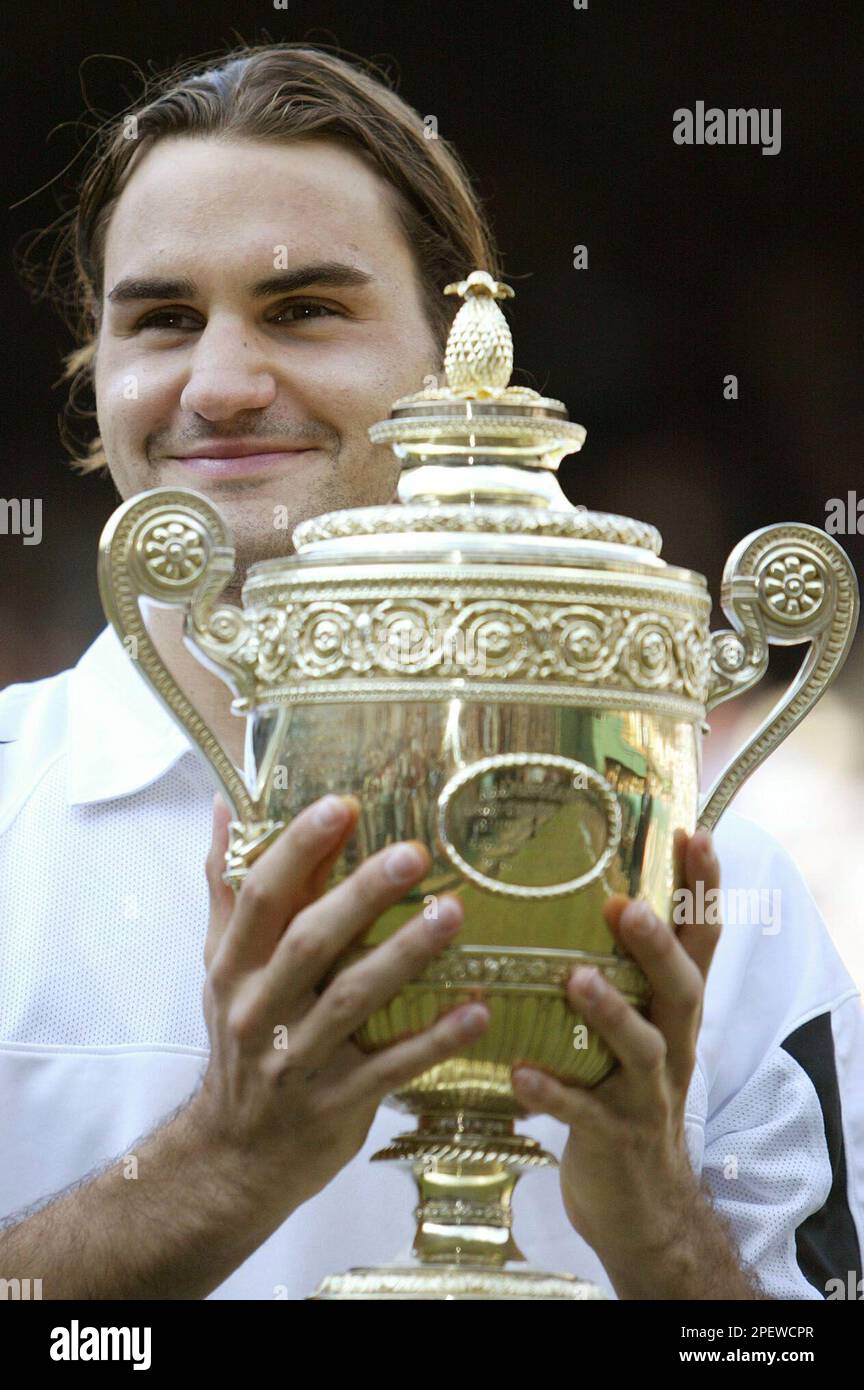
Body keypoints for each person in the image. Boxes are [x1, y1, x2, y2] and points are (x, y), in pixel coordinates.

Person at [1, 41, 861, 1301]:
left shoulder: (702, 879)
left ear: (459, 361)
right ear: (97, 373)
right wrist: (219, 1163)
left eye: (305, 310)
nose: (223, 384)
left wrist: (659, 1229)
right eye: (163, 319)